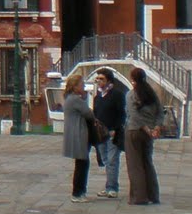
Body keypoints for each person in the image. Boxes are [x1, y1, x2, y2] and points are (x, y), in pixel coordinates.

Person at [125, 67, 163, 206]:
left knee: (135, 165)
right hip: (149, 134)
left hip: (134, 131)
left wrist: (147, 129)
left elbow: (134, 115)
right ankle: (153, 195)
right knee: (147, 162)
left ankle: (139, 197)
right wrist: (156, 128)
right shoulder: (152, 94)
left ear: (132, 79)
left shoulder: (131, 95)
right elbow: (160, 112)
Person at [91, 68, 126, 199]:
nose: (99, 81)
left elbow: (122, 114)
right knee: (105, 159)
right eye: (98, 79)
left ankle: (112, 187)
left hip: (112, 133)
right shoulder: (97, 97)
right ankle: (109, 185)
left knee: (112, 160)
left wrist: (115, 129)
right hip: (100, 134)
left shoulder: (117, 95)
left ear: (108, 80)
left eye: (101, 79)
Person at [61, 74, 93, 202]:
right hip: (78, 133)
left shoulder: (69, 98)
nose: (84, 86)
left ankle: (80, 192)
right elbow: (88, 113)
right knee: (82, 164)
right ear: (75, 87)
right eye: (81, 84)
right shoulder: (75, 99)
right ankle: (78, 193)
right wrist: (85, 99)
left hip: (73, 132)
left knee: (81, 163)